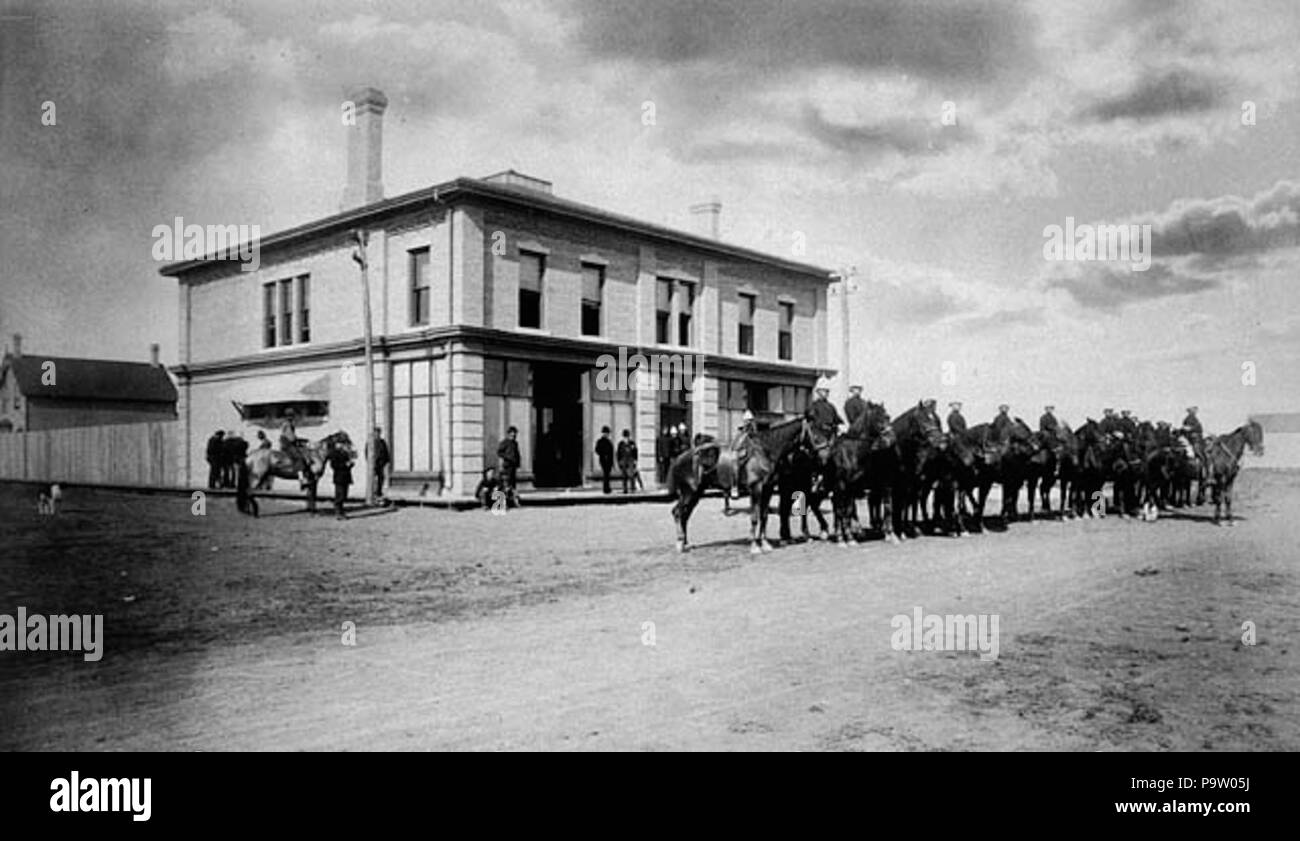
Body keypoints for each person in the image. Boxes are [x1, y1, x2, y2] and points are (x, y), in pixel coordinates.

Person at [279, 409, 308, 487]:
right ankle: (301, 479)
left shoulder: (286, 423)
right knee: (299, 458)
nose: (292, 418)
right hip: (287, 445)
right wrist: (300, 441)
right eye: (291, 416)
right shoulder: (287, 424)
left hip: (287, 443)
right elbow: (291, 437)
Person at [327, 445, 353, 520]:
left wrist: (350, 464)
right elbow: (334, 465)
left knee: (344, 495)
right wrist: (344, 465)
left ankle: (341, 511)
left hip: (346, 477)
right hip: (339, 477)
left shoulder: (345, 452)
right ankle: (338, 512)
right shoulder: (335, 453)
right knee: (339, 495)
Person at [497, 426, 521, 507]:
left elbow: (517, 454)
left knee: (513, 484)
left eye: (514, 433)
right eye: (512, 433)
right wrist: (507, 457)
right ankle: (503, 503)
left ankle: (513, 501)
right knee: (505, 484)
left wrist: (518, 462)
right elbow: (499, 452)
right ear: (508, 434)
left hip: (513, 466)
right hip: (507, 466)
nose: (513, 435)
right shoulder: (504, 442)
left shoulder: (515, 443)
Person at [366, 427, 391, 503]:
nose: (377, 435)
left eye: (378, 433)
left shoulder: (382, 442)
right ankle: (372, 494)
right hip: (374, 464)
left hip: (381, 464)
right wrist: (370, 462)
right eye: (376, 433)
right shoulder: (370, 442)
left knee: (381, 478)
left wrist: (386, 462)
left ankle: (379, 492)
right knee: (373, 479)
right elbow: (367, 453)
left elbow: (386, 453)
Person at [616, 429, 641, 494]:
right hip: (623, 460)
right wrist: (619, 461)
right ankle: (625, 489)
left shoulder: (632, 443)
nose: (626, 438)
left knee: (631, 475)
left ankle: (632, 488)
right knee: (624, 475)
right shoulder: (620, 444)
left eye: (627, 437)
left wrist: (635, 460)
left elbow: (635, 452)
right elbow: (618, 453)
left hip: (630, 460)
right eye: (625, 437)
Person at [595, 426, 615, 494]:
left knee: (607, 474)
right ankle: (606, 488)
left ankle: (607, 488)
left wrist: (612, 462)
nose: (606, 434)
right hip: (603, 460)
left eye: (607, 433)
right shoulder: (600, 441)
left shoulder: (609, 442)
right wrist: (603, 453)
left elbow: (612, 452)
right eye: (605, 433)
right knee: (606, 474)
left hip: (609, 460)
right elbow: (597, 450)